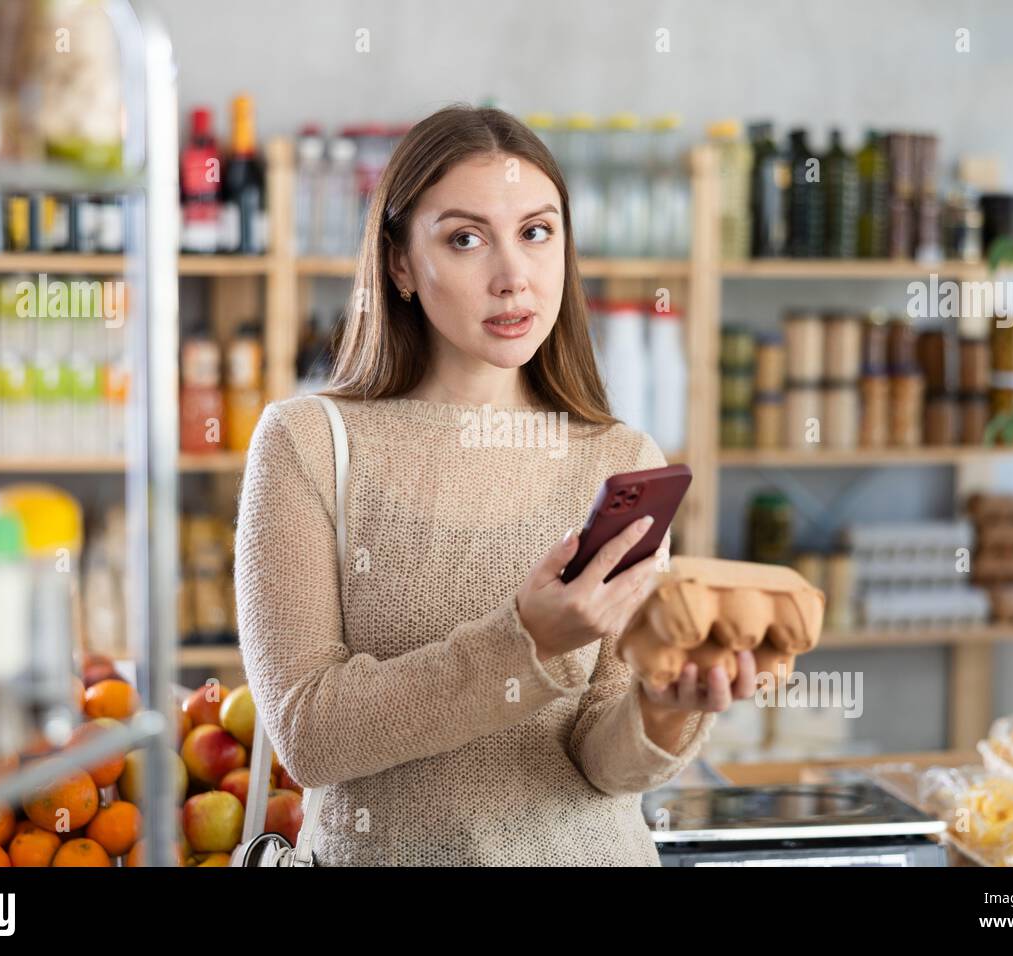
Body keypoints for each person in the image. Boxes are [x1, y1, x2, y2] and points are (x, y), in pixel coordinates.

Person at [234, 104, 755, 866]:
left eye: (537, 232)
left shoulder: (620, 458)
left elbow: (604, 767)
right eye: (466, 239)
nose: (513, 276)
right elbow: (310, 734)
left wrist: (662, 710)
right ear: (401, 265)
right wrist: (529, 641)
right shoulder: (310, 444)